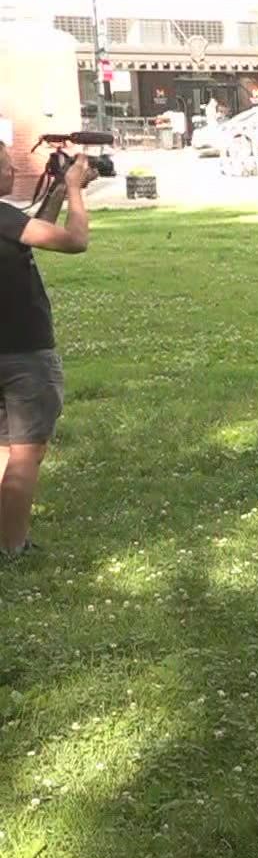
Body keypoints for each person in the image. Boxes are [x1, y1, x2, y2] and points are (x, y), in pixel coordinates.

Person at [1, 150, 92, 557]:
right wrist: (73, 189)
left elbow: (33, 231)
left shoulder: (8, 223)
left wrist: (54, 190)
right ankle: (13, 548)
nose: (14, 169)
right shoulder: (2, 217)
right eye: (4, 164)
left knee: (4, 451)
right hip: (22, 352)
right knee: (26, 453)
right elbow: (74, 241)